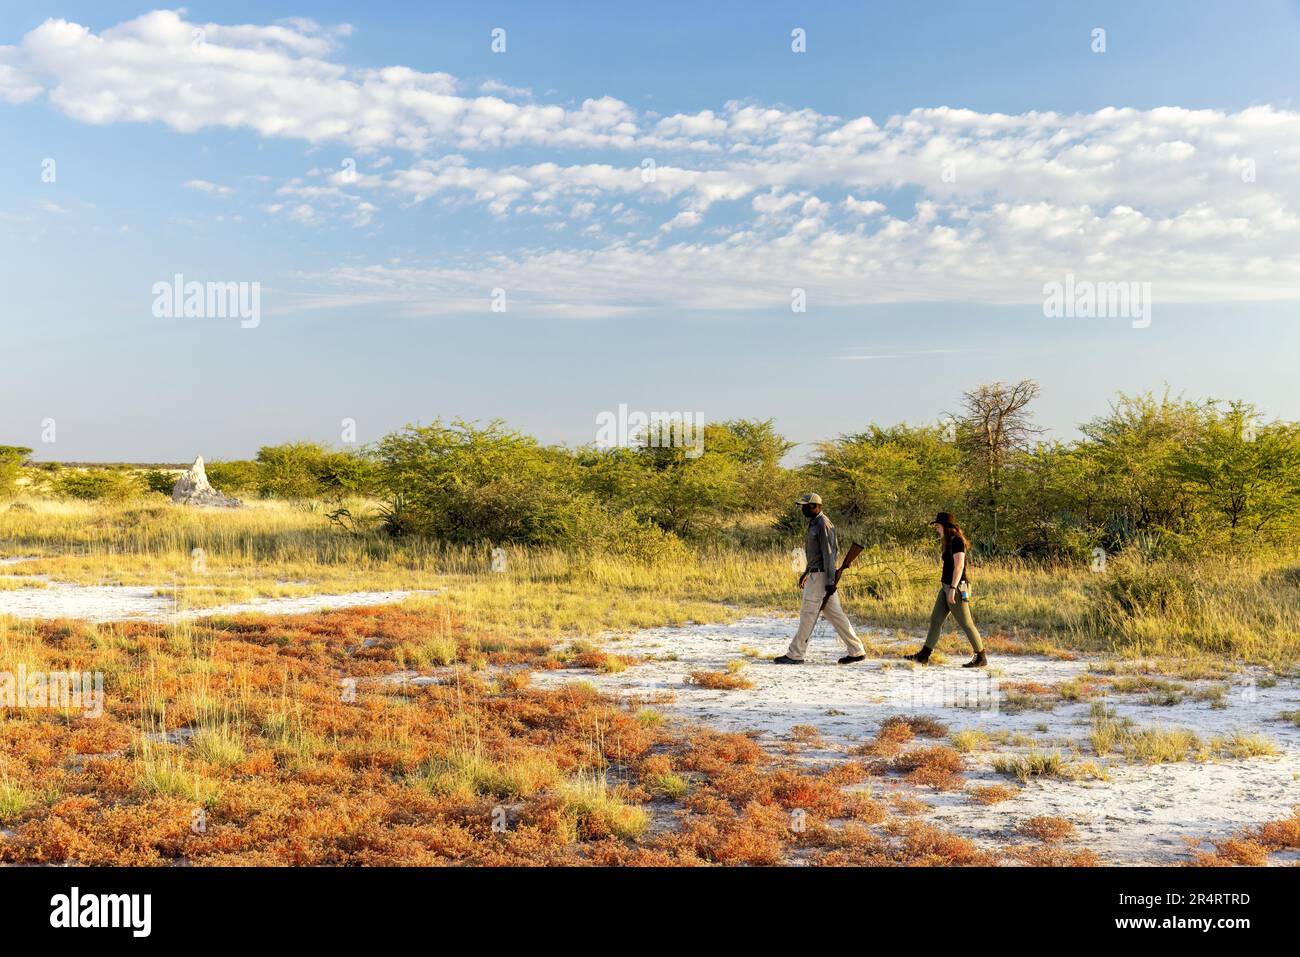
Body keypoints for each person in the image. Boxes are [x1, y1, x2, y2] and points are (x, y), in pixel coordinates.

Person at [774, 493, 867, 665]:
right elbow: (818, 555)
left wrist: (830, 581)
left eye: (805, 506)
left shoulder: (823, 524)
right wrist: (806, 572)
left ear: (815, 506)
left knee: (808, 614)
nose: (802, 509)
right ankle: (857, 651)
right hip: (817, 574)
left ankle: (795, 654)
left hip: (821, 577)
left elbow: (829, 554)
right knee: (836, 615)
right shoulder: (815, 523)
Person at [905, 512, 987, 667]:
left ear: (946, 527)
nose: (936, 529)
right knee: (935, 620)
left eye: (938, 526)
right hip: (946, 586)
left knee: (966, 623)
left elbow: (959, 566)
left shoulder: (957, 541)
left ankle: (981, 657)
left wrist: (953, 588)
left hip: (955, 587)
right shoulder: (948, 541)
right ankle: (924, 655)